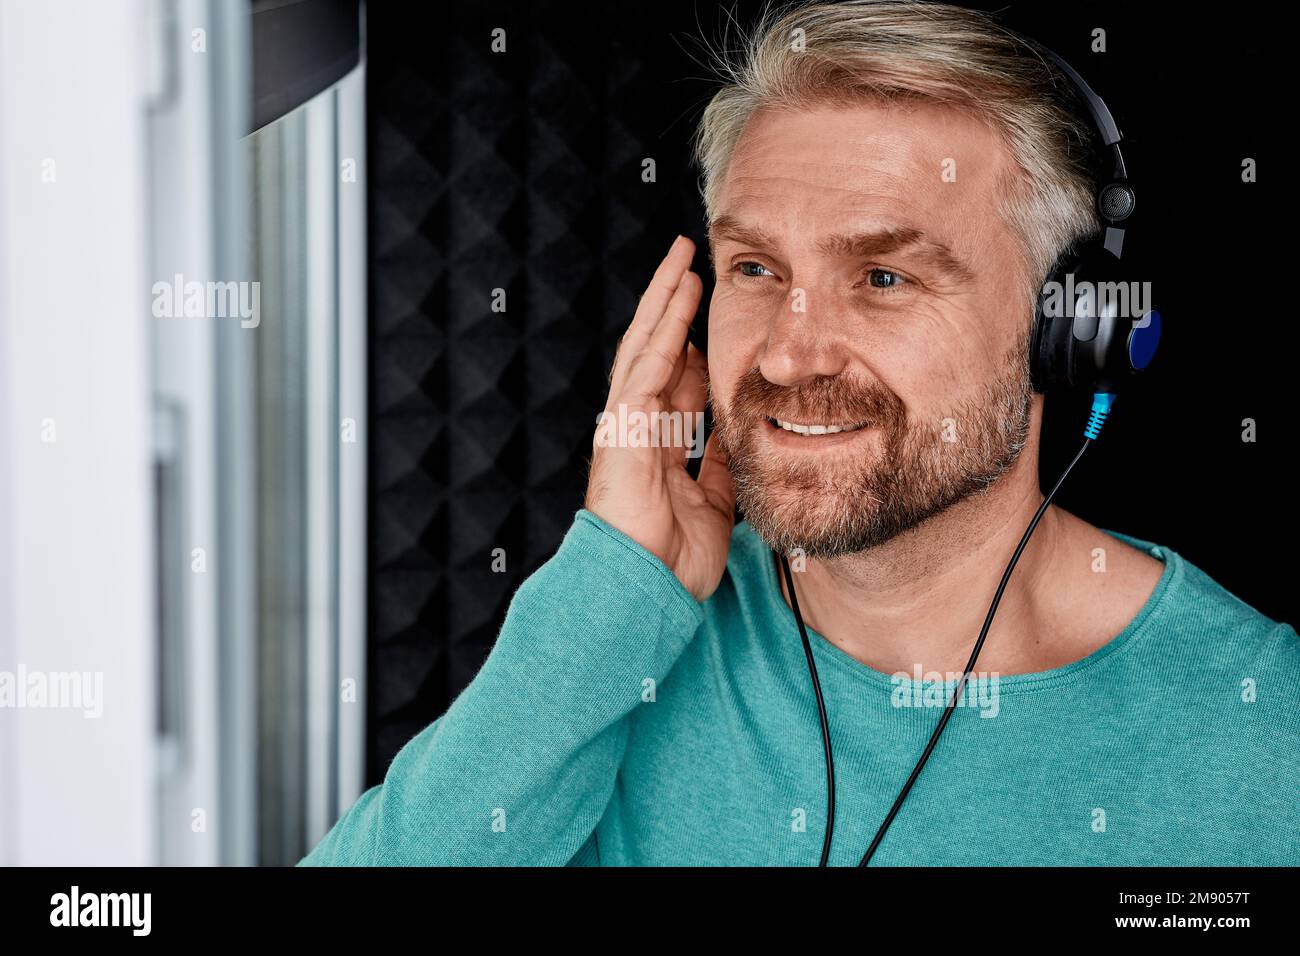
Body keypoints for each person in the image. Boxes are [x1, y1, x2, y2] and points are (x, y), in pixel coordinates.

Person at [301, 0, 1298, 866]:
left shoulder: (1257, 723)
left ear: (1064, 327)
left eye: (883, 277)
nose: (787, 355)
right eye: (755, 269)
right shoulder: (623, 635)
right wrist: (608, 588)